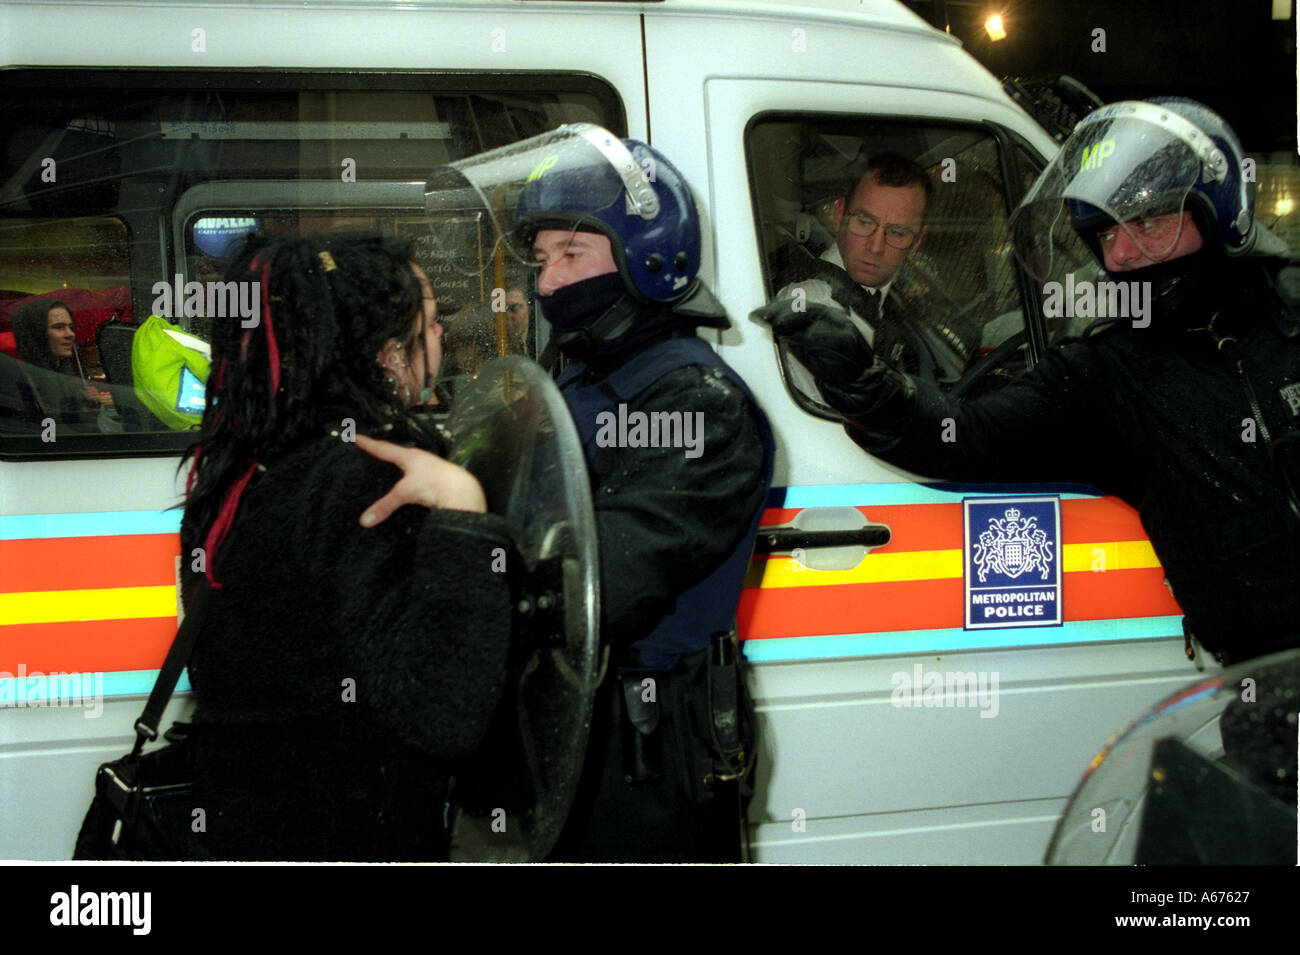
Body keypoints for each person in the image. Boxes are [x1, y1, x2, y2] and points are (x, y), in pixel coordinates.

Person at [765, 97, 1300, 668]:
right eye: (1101, 235)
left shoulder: (1289, 320)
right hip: (1259, 688)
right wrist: (867, 387)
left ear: (1220, 214)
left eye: (1145, 222)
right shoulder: (1105, 372)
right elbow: (964, 436)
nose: (1118, 256)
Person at [408, 126, 774, 861]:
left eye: (572, 255)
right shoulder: (577, 371)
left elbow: (601, 575)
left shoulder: (699, 405)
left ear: (650, 258)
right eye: (541, 260)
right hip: (557, 729)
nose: (546, 284)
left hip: (644, 750)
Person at [179, 232, 513, 861]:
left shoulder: (240, 467)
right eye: (432, 322)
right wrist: (466, 509)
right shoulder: (374, 481)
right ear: (389, 354)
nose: (442, 338)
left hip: (248, 819)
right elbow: (445, 717)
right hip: (347, 831)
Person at [770, 153, 965, 389]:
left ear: (917, 241)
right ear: (840, 214)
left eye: (897, 233)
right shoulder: (811, 306)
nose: (875, 247)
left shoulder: (893, 300)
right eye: (864, 223)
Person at [9, 298, 106, 428]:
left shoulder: (67, 375)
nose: (70, 334)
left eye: (71, 327)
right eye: (59, 327)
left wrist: (87, 401)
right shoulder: (18, 380)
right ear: (37, 333)